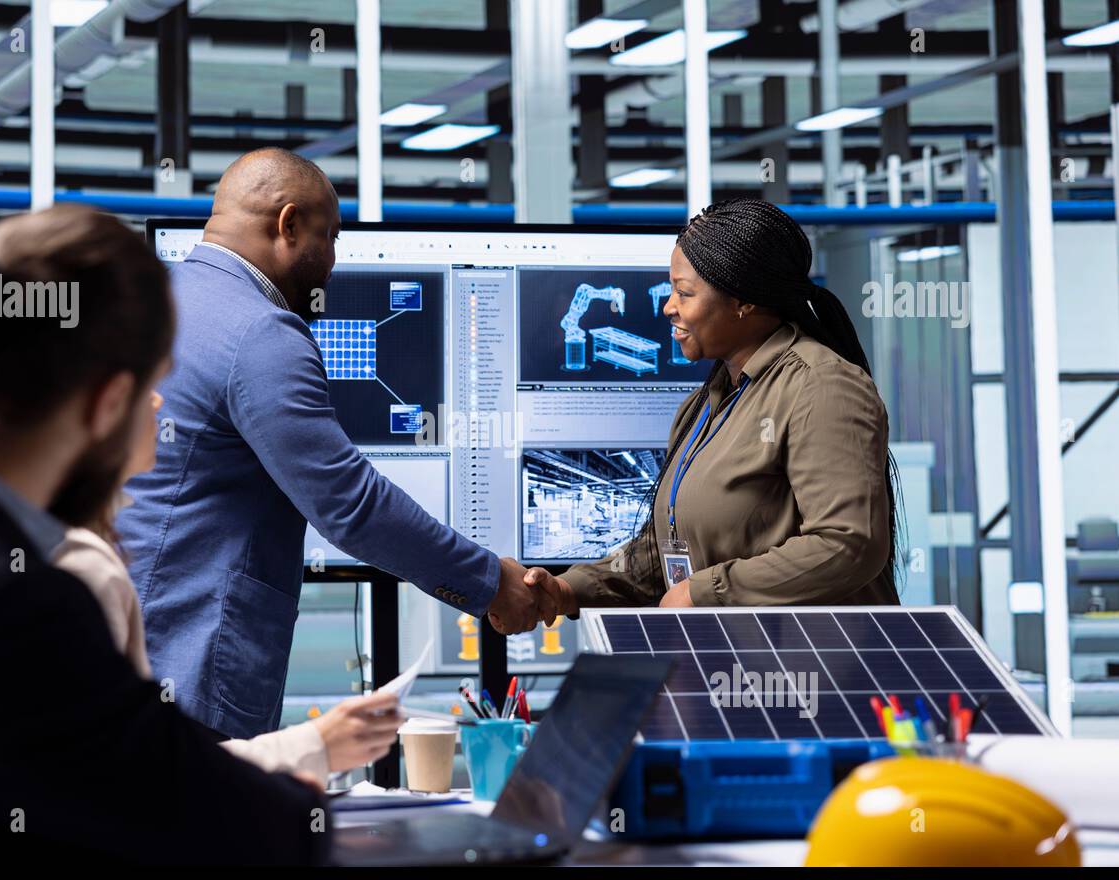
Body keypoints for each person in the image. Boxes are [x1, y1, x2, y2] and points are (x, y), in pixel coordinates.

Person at [0, 206, 328, 864]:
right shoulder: (19, 602)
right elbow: (203, 811)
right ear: (108, 403)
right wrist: (305, 810)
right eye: (152, 392)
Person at [118, 148, 550, 740]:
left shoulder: (152, 304)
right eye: (332, 237)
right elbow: (351, 504)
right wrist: (491, 583)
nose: (333, 263)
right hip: (191, 661)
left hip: (128, 640)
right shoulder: (261, 331)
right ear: (289, 224)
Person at [525, 199, 901, 614]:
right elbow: (665, 550)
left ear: (744, 301)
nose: (669, 307)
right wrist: (570, 588)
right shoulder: (703, 407)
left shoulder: (820, 386)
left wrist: (704, 592)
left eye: (684, 293)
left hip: (813, 654)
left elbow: (848, 544)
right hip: (730, 651)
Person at [54, 390, 403, 784]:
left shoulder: (76, 550)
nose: (157, 400)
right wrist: (315, 746)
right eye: (143, 380)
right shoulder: (84, 570)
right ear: (101, 405)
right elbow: (129, 782)